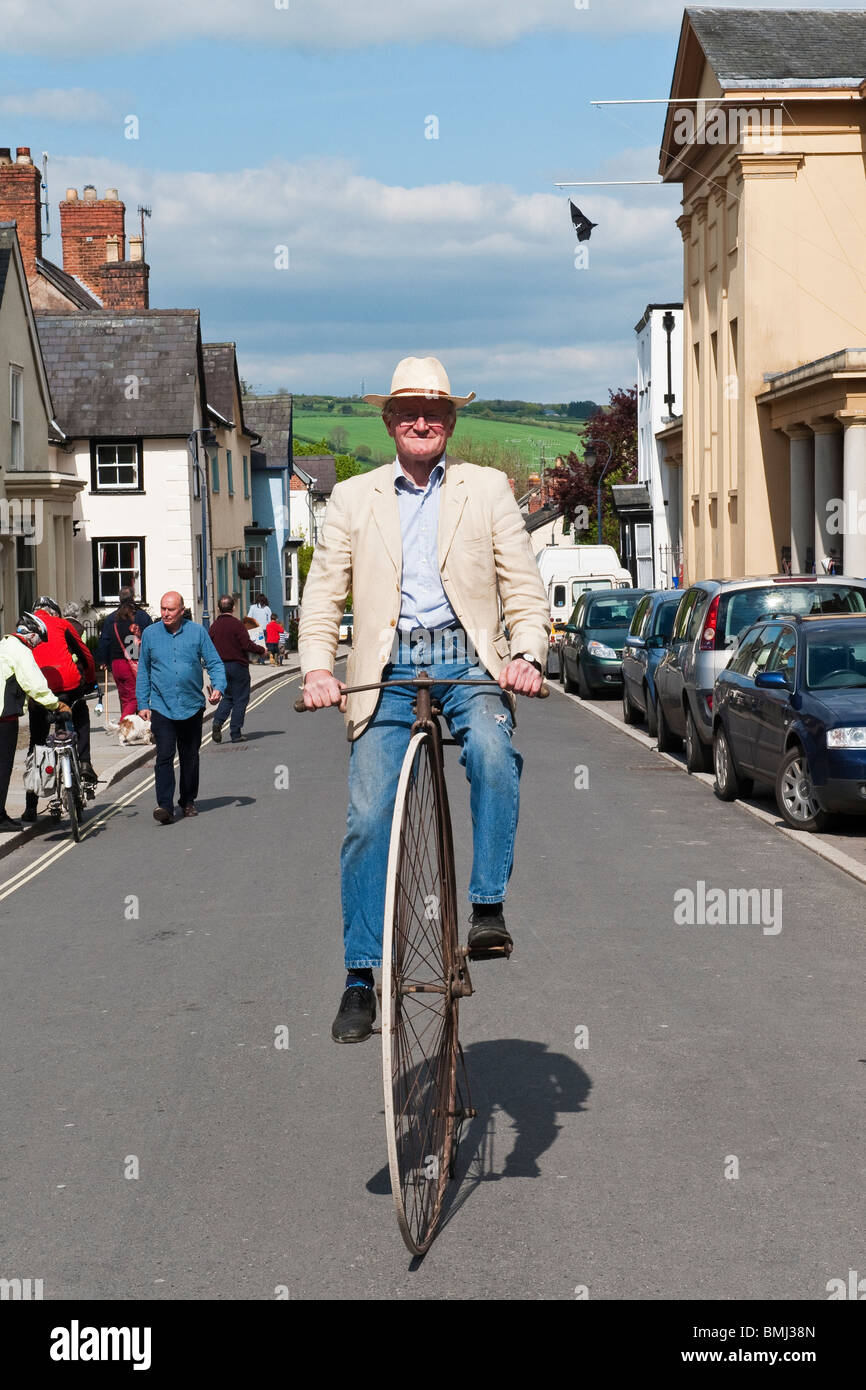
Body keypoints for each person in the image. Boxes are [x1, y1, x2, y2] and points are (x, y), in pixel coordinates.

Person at [299, 356, 549, 1043]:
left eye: (434, 411)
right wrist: (319, 669)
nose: (421, 421)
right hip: (386, 662)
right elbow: (323, 596)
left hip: (464, 654)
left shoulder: (487, 489)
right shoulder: (354, 498)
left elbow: (522, 586)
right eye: (408, 410)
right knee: (366, 813)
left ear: (450, 422)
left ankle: (488, 907)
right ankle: (359, 977)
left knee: (496, 754)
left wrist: (525, 655)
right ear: (388, 422)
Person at [137, 592, 225, 823]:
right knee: (164, 756)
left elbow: (214, 662)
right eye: (163, 609)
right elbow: (144, 671)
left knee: (189, 756)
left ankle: (187, 801)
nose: (165, 614)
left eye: (170, 610)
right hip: (161, 706)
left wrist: (218, 686)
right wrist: (142, 703)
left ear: (182, 610)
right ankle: (164, 806)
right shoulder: (150, 634)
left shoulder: (197, 632)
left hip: (191, 705)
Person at [23, 596, 97, 822]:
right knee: (81, 716)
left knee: (36, 742)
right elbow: (85, 655)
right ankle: (84, 762)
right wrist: (90, 681)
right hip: (68, 687)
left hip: (40, 691)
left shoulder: (27, 630)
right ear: (54, 612)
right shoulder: (64, 624)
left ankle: (31, 806)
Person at [0, 614, 71, 832]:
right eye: (38, 640)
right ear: (31, 634)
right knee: (3, 767)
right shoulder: (20, 651)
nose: (37, 645)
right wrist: (56, 705)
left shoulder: (4, 644)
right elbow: (34, 684)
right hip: (4, 717)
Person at [208, 594, 266, 743]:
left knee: (227, 697)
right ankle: (235, 733)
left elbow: (208, 648)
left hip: (220, 667)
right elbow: (246, 645)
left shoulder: (214, 627)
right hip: (238, 666)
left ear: (218, 608)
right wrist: (261, 650)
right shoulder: (237, 625)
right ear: (233, 607)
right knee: (240, 699)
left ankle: (217, 722)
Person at [96, 587, 153, 718]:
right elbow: (151, 639)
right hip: (134, 662)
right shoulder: (143, 616)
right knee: (136, 696)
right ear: (133, 597)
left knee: (124, 697)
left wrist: (103, 660)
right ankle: (126, 725)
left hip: (116, 663)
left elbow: (104, 641)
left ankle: (129, 725)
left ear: (119, 599)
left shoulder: (111, 618)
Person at [247, 594, 272, 664]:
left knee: (255, 644)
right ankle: (262, 660)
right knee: (263, 645)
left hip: (255, 629)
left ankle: (255, 659)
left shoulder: (252, 607)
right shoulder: (267, 608)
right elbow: (269, 621)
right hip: (264, 629)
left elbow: (249, 618)